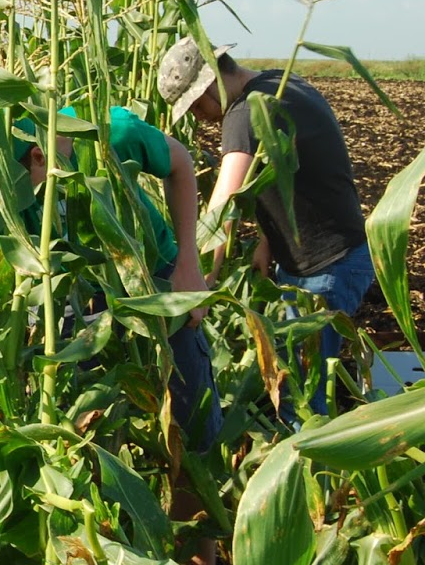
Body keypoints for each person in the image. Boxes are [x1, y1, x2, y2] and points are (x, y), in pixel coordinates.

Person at [0, 107, 222, 449]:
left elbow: (180, 163)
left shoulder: (109, 133)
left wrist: (188, 262)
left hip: (152, 278)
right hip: (64, 295)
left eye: (1, 190)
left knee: (193, 424)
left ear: (40, 158)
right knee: (84, 431)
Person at [158, 37, 374, 419]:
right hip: (333, 256)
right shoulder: (283, 84)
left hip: (325, 269)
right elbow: (286, 172)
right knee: (293, 379)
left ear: (209, 86)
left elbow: (223, 207)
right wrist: (265, 240)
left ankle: (309, 475)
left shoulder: (244, 114)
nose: (197, 118)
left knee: (299, 399)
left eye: (194, 107)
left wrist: (197, 279)